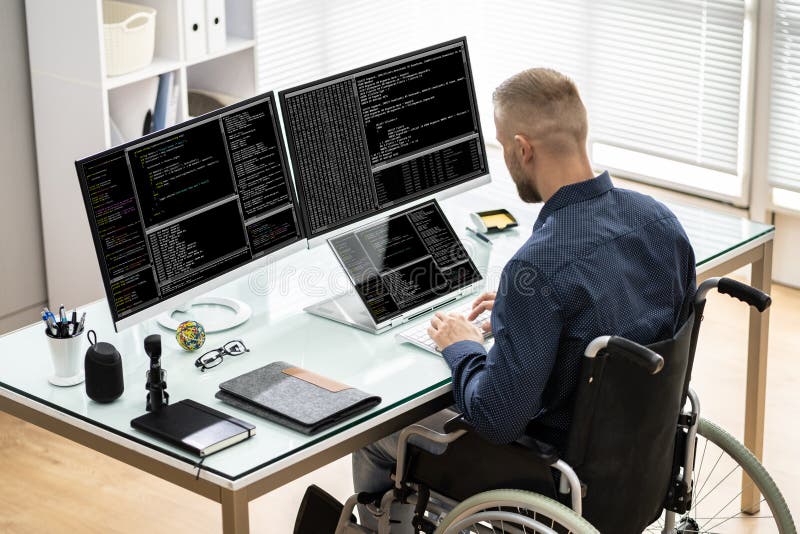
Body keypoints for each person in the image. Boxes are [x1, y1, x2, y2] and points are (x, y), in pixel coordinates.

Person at [351, 67, 696, 531]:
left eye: (501, 146)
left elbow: (496, 419)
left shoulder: (537, 267)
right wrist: (523, 312)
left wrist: (463, 345)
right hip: (639, 460)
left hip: (553, 475)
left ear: (523, 149)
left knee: (377, 435)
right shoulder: (660, 222)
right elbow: (618, 313)